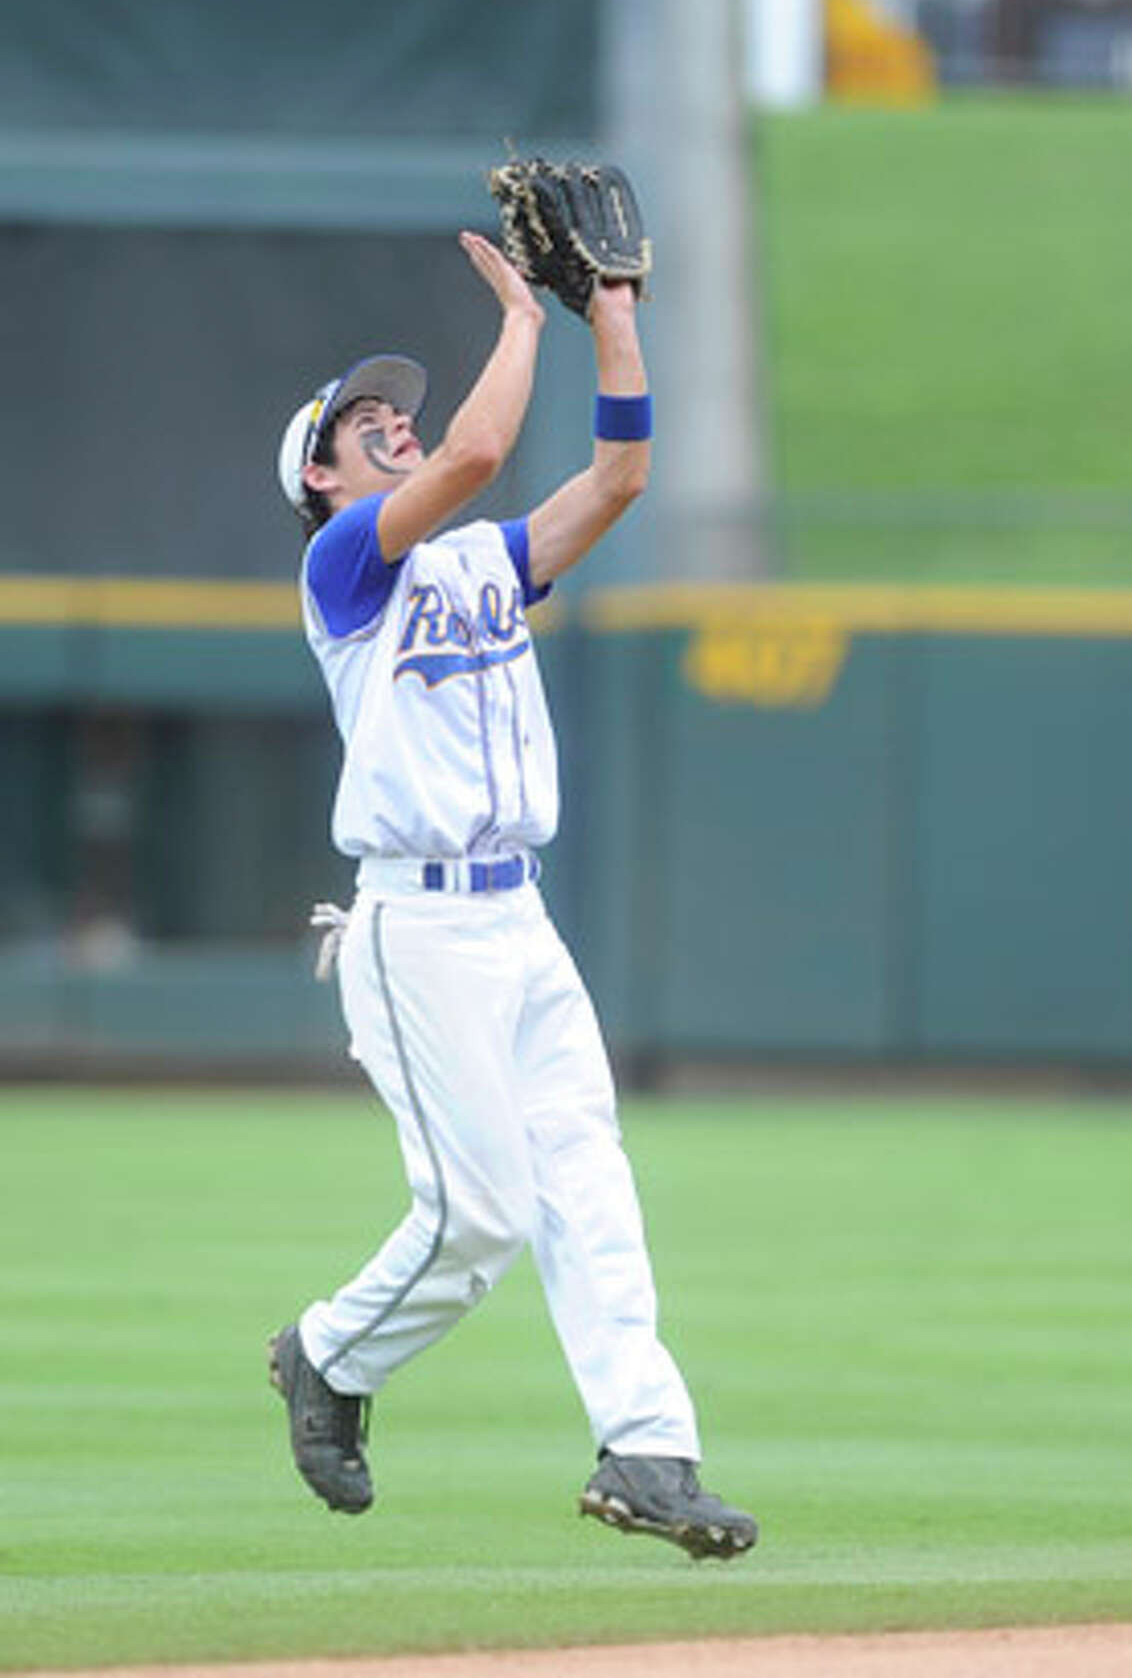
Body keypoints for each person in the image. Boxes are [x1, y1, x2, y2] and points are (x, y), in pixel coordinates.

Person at [268, 227, 757, 1562]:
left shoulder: (486, 562)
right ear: (319, 476)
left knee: (589, 1182)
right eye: (364, 422)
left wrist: (607, 311)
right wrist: (523, 323)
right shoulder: (345, 569)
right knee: (479, 1213)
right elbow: (483, 450)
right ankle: (325, 1352)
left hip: (517, 920)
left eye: (399, 416)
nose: (397, 427)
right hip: (413, 925)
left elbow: (620, 476)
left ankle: (647, 1449)